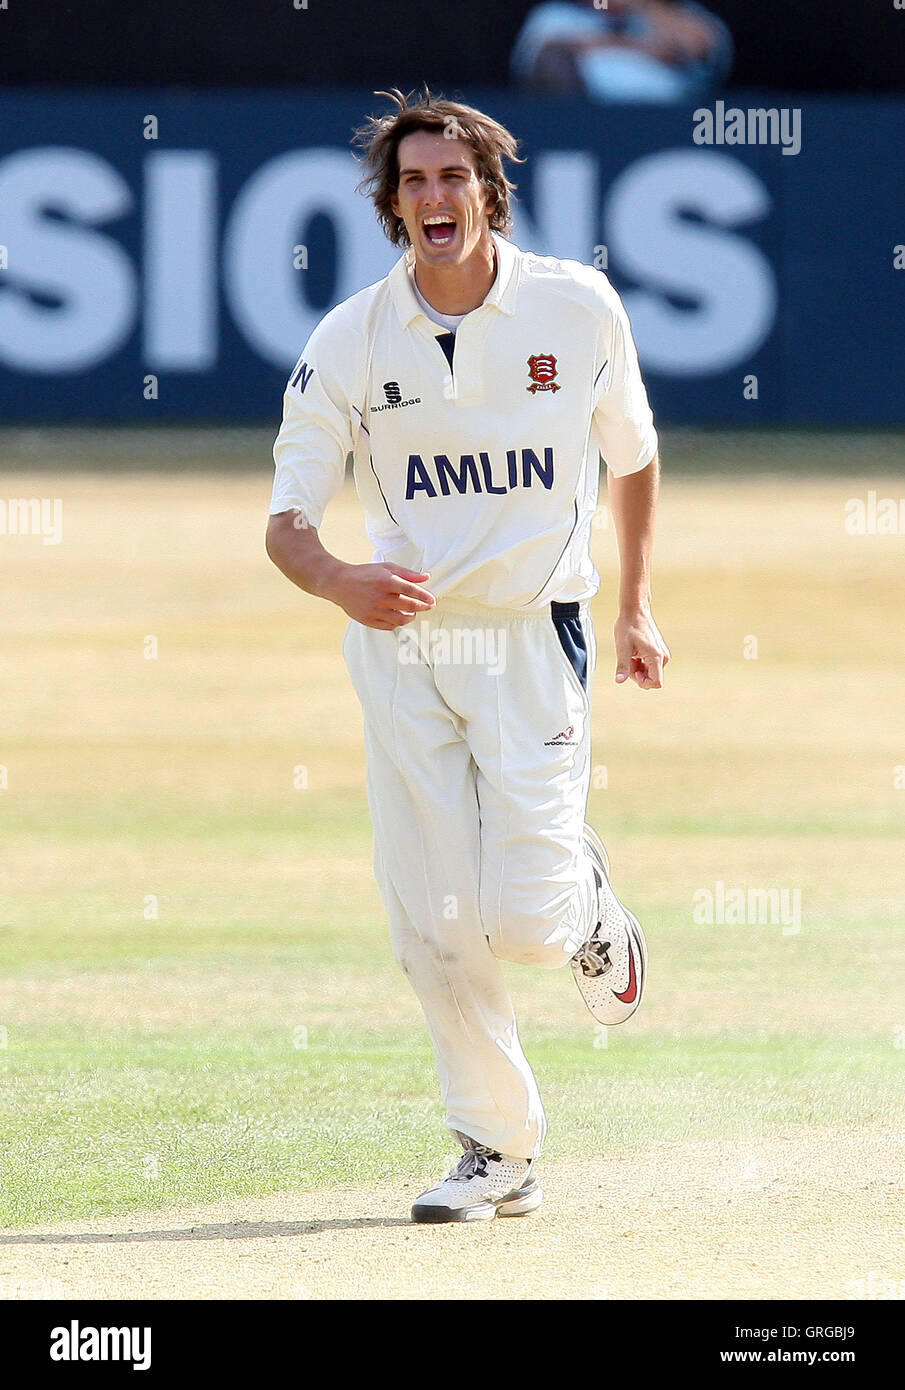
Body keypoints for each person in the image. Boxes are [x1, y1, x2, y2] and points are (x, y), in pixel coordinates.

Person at [265, 88, 669, 1224]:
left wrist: (635, 606)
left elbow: (630, 455)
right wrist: (344, 581)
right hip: (401, 652)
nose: (433, 197)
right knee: (432, 920)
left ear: (488, 192)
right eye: (413, 182)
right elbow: (286, 523)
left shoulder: (575, 308)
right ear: (392, 207)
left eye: (452, 178)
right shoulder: (350, 337)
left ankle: (586, 904)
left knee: (526, 924)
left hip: (534, 637)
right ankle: (496, 1152)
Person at [511, 0, 733, 103]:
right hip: (583, 125)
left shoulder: (674, 17)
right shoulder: (556, 15)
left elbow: (699, 47)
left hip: (667, 125)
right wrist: (642, 48)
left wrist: (643, 6)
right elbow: (546, 56)